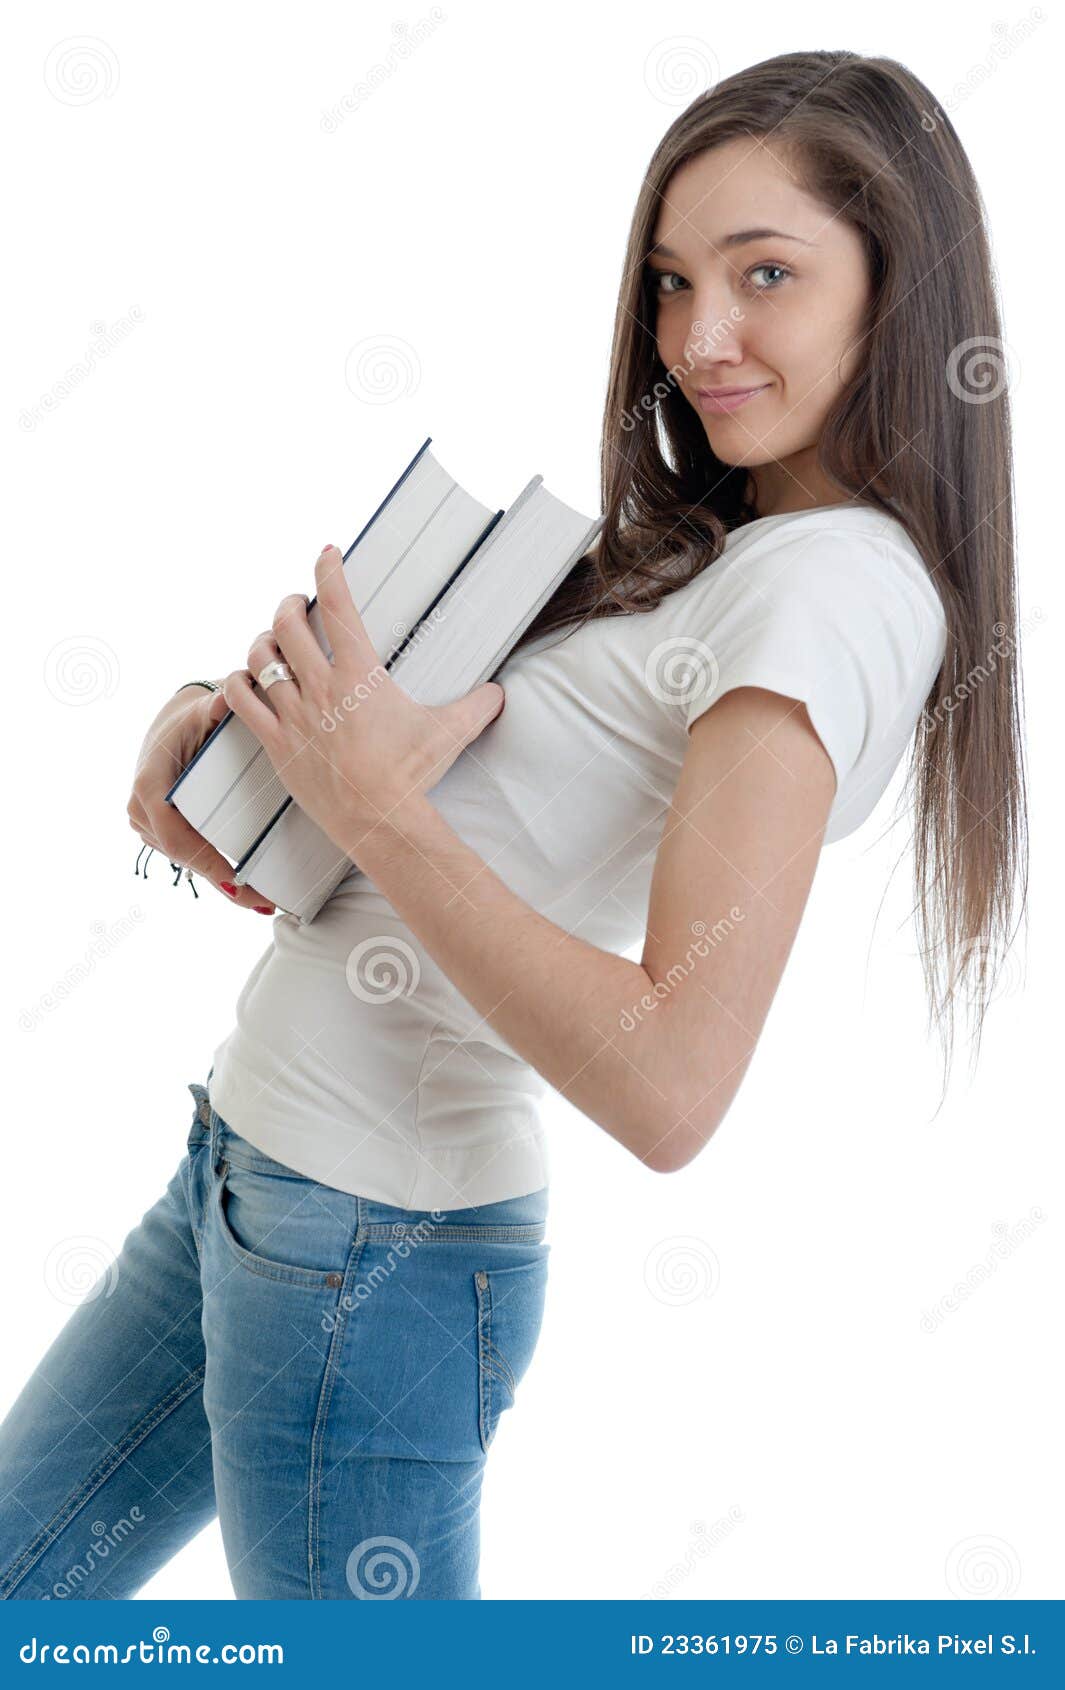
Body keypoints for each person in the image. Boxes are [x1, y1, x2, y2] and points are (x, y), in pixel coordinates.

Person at [0, 48, 1027, 1600]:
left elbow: (673, 1083)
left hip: (371, 1247)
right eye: (674, 283)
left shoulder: (833, 592)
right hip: (250, 1176)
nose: (699, 338)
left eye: (767, 275)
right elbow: (462, 773)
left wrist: (375, 806)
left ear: (903, 283)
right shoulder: (730, 546)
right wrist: (220, 722)